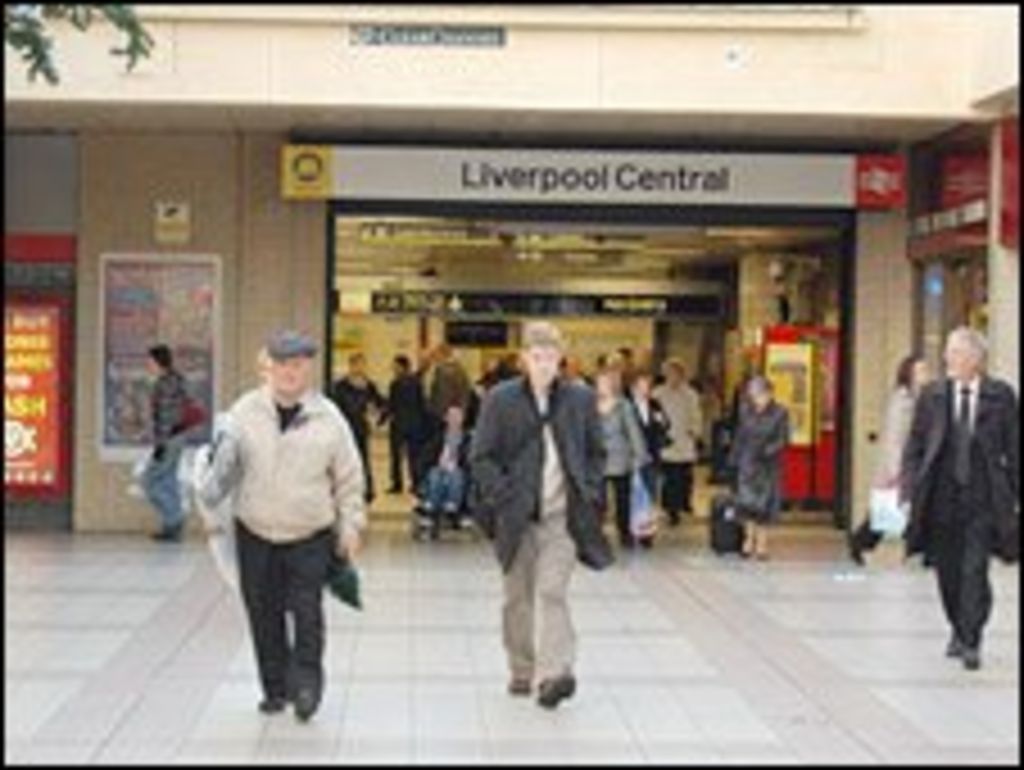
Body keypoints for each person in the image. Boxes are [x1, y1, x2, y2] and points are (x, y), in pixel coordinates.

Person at [201, 330, 366, 720]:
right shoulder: (243, 413)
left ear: (309, 369)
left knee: (307, 614)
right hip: (255, 532)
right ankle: (274, 688)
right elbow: (220, 473)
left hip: (309, 534)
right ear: (269, 368)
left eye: (298, 365)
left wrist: (352, 524)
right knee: (264, 613)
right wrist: (212, 502)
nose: (290, 373)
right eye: (282, 365)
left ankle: (306, 685)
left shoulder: (329, 418)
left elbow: (349, 478)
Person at [469, 321, 612, 710]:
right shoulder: (500, 400)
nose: (544, 364)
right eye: (537, 357)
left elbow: (597, 451)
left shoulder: (579, 399)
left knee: (552, 591)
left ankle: (554, 674)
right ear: (524, 360)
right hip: (516, 518)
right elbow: (480, 457)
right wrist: (503, 495)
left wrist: (590, 489)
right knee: (517, 598)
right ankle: (522, 668)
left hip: (562, 517)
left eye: (550, 357)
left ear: (560, 359)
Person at [900, 327, 1019, 672]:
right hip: (941, 497)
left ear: (975, 359)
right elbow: (915, 445)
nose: (947, 358)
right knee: (948, 572)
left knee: (974, 569)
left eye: (955, 352)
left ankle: (971, 640)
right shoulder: (933, 396)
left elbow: (1015, 448)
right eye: (949, 352)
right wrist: (910, 487)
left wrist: (1015, 494)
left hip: (983, 498)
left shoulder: (1001, 396)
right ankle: (959, 626)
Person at [849, 355, 931, 564]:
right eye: (921, 370)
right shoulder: (902, 400)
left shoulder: (922, 398)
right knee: (889, 511)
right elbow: (895, 437)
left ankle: (919, 550)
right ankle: (860, 541)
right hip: (901, 464)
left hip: (914, 463)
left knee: (902, 510)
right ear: (909, 374)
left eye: (926, 370)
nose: (926, 374)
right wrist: (896, 469)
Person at [727, 376, 790, 560]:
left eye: (759, 394)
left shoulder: (780, 413)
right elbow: (740, 436)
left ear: (769, 394)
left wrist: (767, 451)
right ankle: (748, 540)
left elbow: (783, 438)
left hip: (767, 465)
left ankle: (762, 544)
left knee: (764, 506)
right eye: (753, 395)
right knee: (747, 504)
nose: (756, 399)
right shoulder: (745, 411)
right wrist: (733, 460)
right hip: (747, 463)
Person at [595, 368, 650, 549]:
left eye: (603, 383)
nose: (600, 387)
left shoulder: (623, 406)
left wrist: (640, 456)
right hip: (597, 459)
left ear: (612, 385)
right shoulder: (590, 404)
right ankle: (597, 533)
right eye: (598, 383)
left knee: (622, 499)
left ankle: (624, 532)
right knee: (598, 500)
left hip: (620, 458)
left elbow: (633, 431)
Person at [143, 344, 191, 542]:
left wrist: (160, 444)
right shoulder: (177, 380)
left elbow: (166, 416)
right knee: (168, 480)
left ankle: (174, 519)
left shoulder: (165, 384)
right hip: (178, 436)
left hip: (169, 437)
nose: (147, 364)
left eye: (149, 361)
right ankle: (172, 526)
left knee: (149, 481)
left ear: (158, 361)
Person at [328, 352, 386, 503]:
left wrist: (377, 417)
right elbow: (334, 405)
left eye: (362, 364)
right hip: (344, 428)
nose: (359, 368)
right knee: (342, 460)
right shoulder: (340, 386)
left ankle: (367, 490)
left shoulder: (368, 385)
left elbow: (381, 403)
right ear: (351, 365)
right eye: (357, 364)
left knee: (363, 459)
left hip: (360, 427)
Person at [653, 359, 703, 525]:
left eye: (676, 373)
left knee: (684, 476)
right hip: (666, 442)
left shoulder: (690, 394)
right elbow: (654, 415)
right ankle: (670, 508)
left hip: (685, 440)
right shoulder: (658, 393)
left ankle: (683, 503)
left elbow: (696, 415)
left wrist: (695, 431)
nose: (673, 377)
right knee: (669, 477)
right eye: (669, 373)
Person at [627, 370, 672, 542]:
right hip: (632, 455)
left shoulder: (655, 404)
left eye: (647, 386)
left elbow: (666, 423)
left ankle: (647, 532)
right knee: (634, 492)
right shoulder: (627, 405)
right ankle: (633, 528)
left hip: (652, 453)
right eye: (642, 386)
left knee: (650, 492)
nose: (645, 390)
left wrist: (661, 422)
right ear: (634, 388)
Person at [416, 404, 472, 535]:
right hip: (439, 467)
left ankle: (451, 506)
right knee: (434, 475)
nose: (454, 420)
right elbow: (425, 457)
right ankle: (431, 508)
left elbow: (471, 460)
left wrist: (457, 463)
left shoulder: (468, 438)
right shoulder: (437, 437)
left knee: (455, 475)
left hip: (458, 469)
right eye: (451, 416)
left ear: (462, 418)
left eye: (457, 416)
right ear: (445, 418)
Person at [383, 354, 428, 494]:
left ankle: (397, 484)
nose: (393, 368)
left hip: (398, 425)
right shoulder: (417, 382)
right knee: (414, 455)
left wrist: (382, 419)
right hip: (415, 425)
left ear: (402, 367)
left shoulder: (395, 384)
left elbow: (391, 405)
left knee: (396, 456)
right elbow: (422, 403)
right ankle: (416, 483)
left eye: (395, 366)